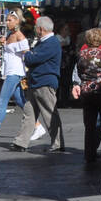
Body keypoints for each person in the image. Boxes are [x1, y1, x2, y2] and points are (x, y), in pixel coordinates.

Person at [15, 16, 64, 152]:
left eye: (36, 28)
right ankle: (21, 142)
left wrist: (27, 54)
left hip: (44, 82)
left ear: (41, 29)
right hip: (36, 82)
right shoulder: (43, 42)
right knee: (29, 113)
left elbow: (33, 58)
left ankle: (57, 143)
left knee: (49, 114)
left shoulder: (51, 43)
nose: (36, 30)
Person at [0, 9, 30, 143]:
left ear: (17, 21)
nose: (7, 22)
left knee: (2, 100)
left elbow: (27, 53)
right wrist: (5, 43)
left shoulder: (20, 36)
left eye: (10, 20)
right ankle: (37, 124)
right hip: (10, 71)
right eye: (6, 20)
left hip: (15, 72)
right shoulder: (10, 34)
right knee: (20, 100)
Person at [73, 28, 101, 164]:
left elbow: (79, 72)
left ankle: (89, 154)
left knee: (89, 125)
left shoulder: (82, 55)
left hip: (87, 92)